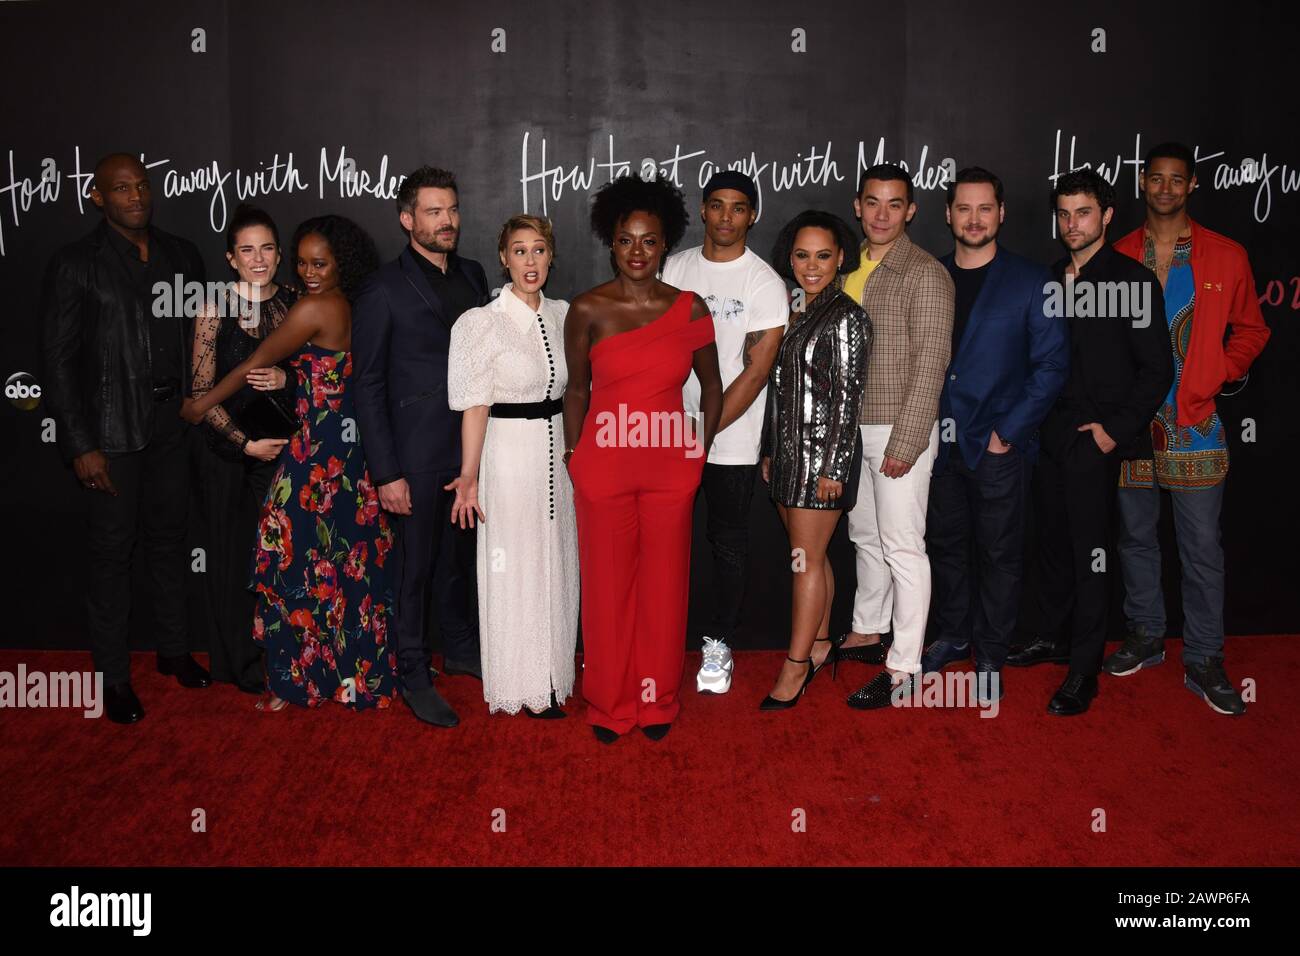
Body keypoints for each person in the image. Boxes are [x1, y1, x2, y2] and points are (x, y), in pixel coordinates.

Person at [181, 215, 398, 711]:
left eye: (319, 262)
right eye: (302, 263)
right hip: (352, 451)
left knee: (289, 564)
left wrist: (198, 404)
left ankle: (293, 681)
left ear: (341, 261)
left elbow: (254, 361)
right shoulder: (353, 303)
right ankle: (348, 677)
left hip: (316, 454)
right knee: (346, 564)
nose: (308, 272)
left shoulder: (313, 306)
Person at [38, 152, 209, 725]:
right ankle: (112, 676)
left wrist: (198, 400)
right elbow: (57, 362)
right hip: (111, 431)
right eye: (121, 188)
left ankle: (173, 650)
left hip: (172, 425)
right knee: (111, 555)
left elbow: (202, 338)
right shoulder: (75, 264)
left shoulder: (181, 253)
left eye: (141, 185)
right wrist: (79, 443)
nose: (136, 196)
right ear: (96, 196)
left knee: (169, 539)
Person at [1105, 141, 1270, 715]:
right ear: (1142, 184)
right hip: (1132, 429)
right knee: (1135, 539)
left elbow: (1252, 328)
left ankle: (1203, 656)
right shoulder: (1119, 253)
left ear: (1192, 186)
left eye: (1178, 180)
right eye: (1157, 178)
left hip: (1196, 424)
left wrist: (1218, 371)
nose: (1166, 188)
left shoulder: (1226, 254)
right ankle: (1147, 635)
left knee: (1201, 548)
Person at [563, 174, 721, 744]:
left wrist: (696, 451)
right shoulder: (586, 308)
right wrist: (576, 453)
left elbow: (712, 385)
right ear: (611, 242)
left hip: (669, 468)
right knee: (606, 589)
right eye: (626, 240)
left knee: (663, 586)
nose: (637, 251)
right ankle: (609, 705)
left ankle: (656, 701)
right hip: (602, 465)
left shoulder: (689, 306)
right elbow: (575, 389)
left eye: (649, 241)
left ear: (664, 244)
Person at [921, 168, 1069, 704]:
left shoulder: (1034, 282)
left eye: (985, 209)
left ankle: (990, 650)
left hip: (999, 446)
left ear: (1001, 214)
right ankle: (953, 634)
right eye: (964, 209)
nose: (974, 219)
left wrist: (1009, 431)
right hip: (937, 445)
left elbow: (1052, 365)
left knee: (1001, 553)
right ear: (948, 215)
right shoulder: (930, 275)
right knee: (945, 545)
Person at [1028, 170, 1173, 715]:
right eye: (1064, 214)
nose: (1072, 224)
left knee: (1091, 551)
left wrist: (1115, 431)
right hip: (1049, 435)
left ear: (1107, 216)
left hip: (1098, 438)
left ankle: (1084, 670)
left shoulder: (1132, 282)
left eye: (1083, 213)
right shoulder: (1048, 279)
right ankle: (1056, 638)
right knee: (1053, 543)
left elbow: (1157, 371)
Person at [352, 166, 487, 729]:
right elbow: (368, 384)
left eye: (452, 209)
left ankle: (458, 648)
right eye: (434, 212)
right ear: (408, 219)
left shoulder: (476, 275)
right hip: (414, 452)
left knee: (460, 559)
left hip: (473, 448)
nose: (447, 221)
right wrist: (386, 472)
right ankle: (412, 671)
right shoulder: (382, 288)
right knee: (415, 567)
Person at [446, 215, 579, 718]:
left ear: (551, 257)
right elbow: (475, 406)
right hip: (508, 456)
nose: (530, 261)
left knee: (556, 561)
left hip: (559, 458)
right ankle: (521, 683)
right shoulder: (481, 323)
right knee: (514, 566)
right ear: (503, 258)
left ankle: (553, 676)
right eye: (519, 251)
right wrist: (469, 476)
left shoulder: (566, 314)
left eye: (539, 250)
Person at [662, 171, 787, 696]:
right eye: (717, 206)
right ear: (703, 210)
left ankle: (718, 644)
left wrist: (704, 432)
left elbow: (755, 373)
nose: (727, 217)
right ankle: (658, 643)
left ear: (752, 215)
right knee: (665, 543)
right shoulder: (676, 266)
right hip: (667, 433)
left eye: (739, 208)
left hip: (730, 441)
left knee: (727, 545)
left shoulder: (764, 282)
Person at [838, 164, 955, 710]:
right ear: (858, 206)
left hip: (897, 428)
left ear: (910, 211)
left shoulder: (925, 273)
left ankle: (905, 664)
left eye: (894, 204)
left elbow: (932, 364)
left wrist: (906, 443)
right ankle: (867, 628)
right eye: (872, 202)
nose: (882, 214)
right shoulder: (845, 267)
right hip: (849, 429)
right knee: (865, 537)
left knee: (904, 547)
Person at [759, 211, 871, 709]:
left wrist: (834, 468)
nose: (811, 265)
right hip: (786, 460)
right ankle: (821, 642)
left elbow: (849, 400)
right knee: (812, 557)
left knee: (802, 562)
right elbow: (782, 391)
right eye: (802, 255)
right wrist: (769, 450)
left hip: (819, 465)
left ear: (841, 257)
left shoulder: (847, 317)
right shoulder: (797, 310)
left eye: (823, 255)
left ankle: (796, 665)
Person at [190, 203, 298, 701]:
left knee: (284, 563)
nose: (258, 259)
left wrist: (288, 378)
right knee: (236, 562)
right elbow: (199, 396)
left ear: (280, 254)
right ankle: (243, 665)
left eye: (267, 248)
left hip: (287, 457)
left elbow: (325, 381)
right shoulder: (213, 309)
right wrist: (244, 443)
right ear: (231, 258)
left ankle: (289, 660)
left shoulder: (296, 304)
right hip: (228, 455)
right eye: (247, 250)